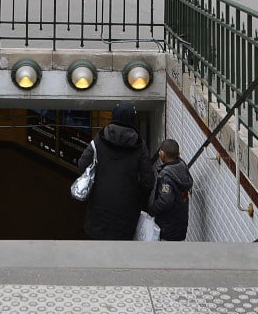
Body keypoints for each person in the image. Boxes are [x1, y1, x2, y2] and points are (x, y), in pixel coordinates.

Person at [75, 102, 154, 240]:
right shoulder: (140, 146)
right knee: (121, 251)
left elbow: (82, 164)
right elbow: (148, 181)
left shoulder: (99, 139)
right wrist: (137, 197)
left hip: (99, 205)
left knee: (97, 246)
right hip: (127, 209)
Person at [148, 139, 194, 242]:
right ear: (178, 154)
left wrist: (152, 210)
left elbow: (165, 201)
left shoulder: (166, 176)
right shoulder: (182, 166)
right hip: (180, 224)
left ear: (162, 154)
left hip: (168, 227)